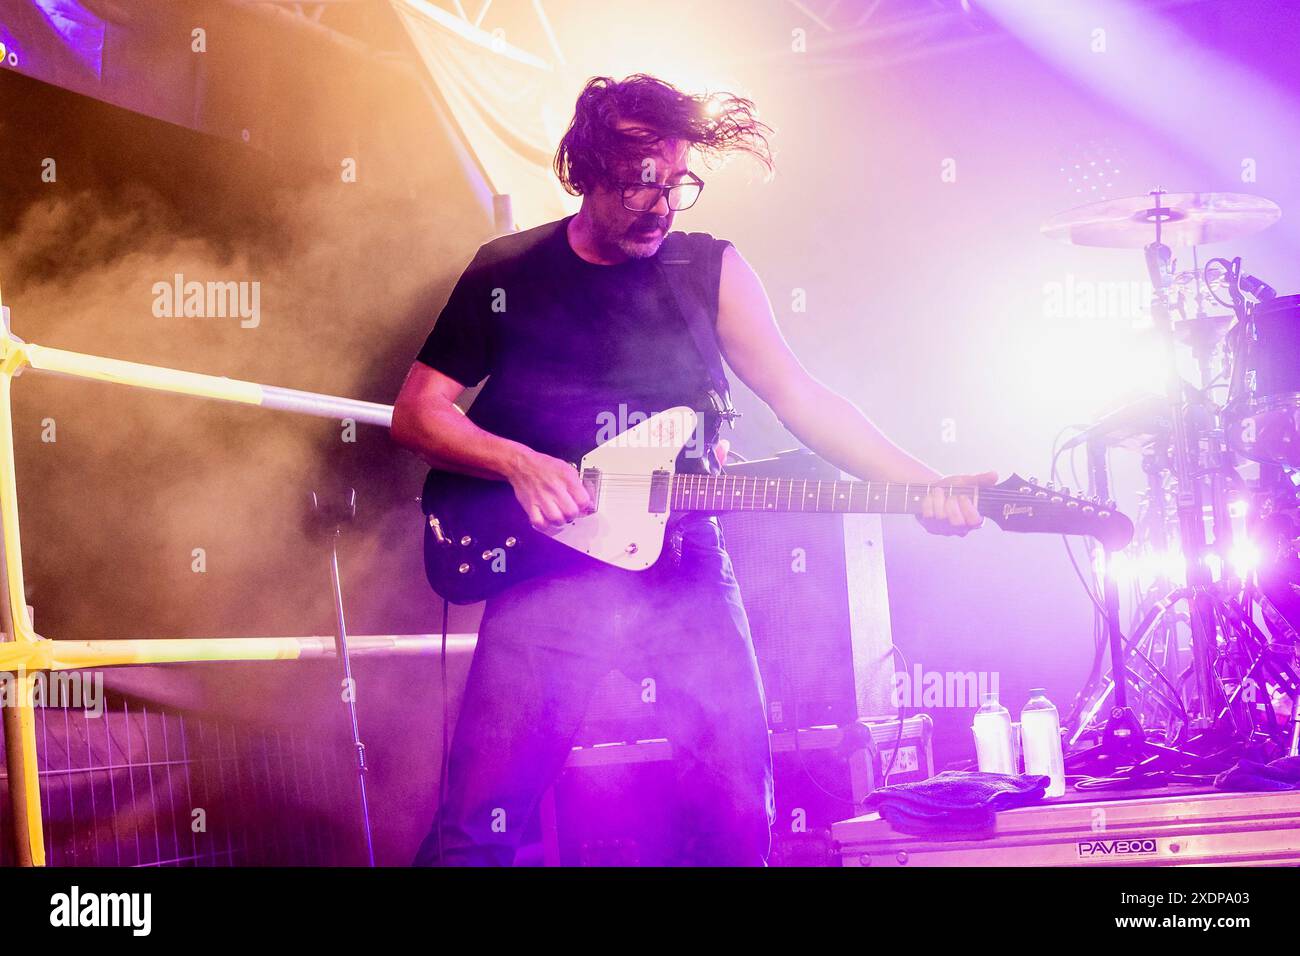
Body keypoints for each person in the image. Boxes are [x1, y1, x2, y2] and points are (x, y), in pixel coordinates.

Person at [392, 74, 993, 866]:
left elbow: (800, 398)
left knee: (738, 802)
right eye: (642, 182)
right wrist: (519, 461)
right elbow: (419, 411)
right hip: (550, 566)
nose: (663, 205)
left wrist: (924, 483)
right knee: (481, 818)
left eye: (679, 184)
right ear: (584, 169)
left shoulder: (705, 270)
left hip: (684, 559)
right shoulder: (509, 270)